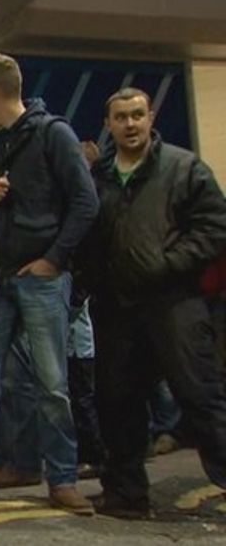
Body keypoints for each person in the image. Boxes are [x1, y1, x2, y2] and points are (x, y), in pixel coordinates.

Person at [0, 54, 99, 515]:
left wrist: (53, 259)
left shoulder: (52, 136)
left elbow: (85, 203)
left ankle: (63, 479)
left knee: (51, 383)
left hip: (40, 280)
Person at [84, 87, 226, 518]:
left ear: (150, 118)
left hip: (174, 303)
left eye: (138, 115)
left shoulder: (185, 169)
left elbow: (214, 227)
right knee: (118, 402)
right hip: (116, 308)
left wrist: (167, 265)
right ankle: (126, 495)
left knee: (200, 397)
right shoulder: (98, 177)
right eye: (121, 117)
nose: (130, 124)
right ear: (109, 124)